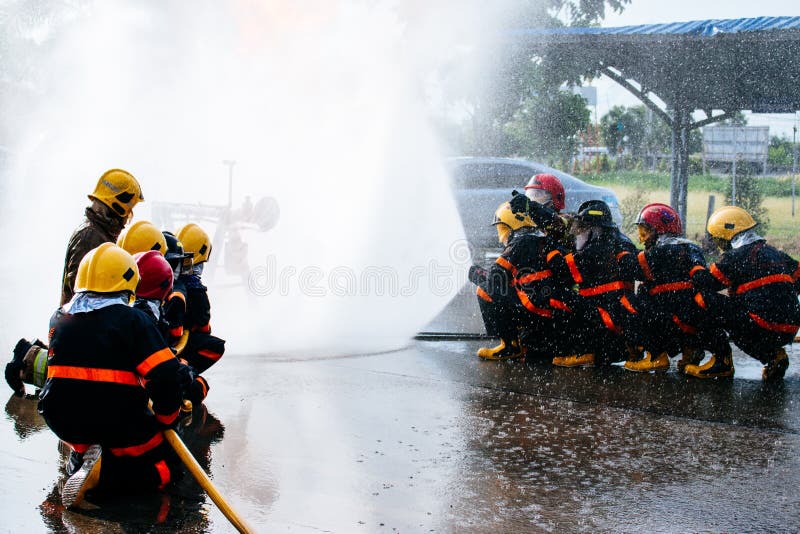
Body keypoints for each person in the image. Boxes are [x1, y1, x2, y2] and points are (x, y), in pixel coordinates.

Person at [39, 243, 191, 508]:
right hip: (113, 419)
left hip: (62, 419)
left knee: (92, 435)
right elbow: (166, 375)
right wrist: (166, 418)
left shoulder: (58, 317)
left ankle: (82, 463)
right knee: (166, 466)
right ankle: (104, 479)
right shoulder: (132, 320)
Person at [618, 203, 731, 374]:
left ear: (659, 230)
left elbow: (630, 268)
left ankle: (656, 356)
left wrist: (622, 251)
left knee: (631, 300)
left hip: (670, 318)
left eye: (645, 232)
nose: (643, 238)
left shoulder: (658, 252)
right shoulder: (692, 247)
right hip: (694, 318)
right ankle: (690, 349)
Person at [690, 206, 800, 381]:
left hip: (762, 324)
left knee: (702, 300)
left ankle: (722, 361)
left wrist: (695, 265)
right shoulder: (775, 253)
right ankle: (773, 356)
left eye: (718, 240)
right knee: (742, 316)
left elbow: (707, 283)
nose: (719, 246)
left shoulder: (736, 256)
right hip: (789, 328)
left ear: (727, 237)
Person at [469, 202, 572, 361]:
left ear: (511, 225)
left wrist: (476, 274)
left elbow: (495, 279)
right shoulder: (543, 240)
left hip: (536, 309)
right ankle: (524, 341)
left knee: (485, 290)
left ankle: (509, 346)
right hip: (555, 311)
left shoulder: (519, 243)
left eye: (501, 228)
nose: (500, 234)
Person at [551, 200, 641, 367]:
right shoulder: (620, 240)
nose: (578, 233)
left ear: (594, 228)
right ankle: (618, 349)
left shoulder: (594, 249)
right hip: (620, 317)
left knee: (557, 298)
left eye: (583, 228)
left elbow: (563, 271)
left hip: (605, 317)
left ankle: (584, 352)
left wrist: (552, 249)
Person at [133, 250, 209, 404]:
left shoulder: (125, 311)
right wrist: (182, 368)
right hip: (133, 396)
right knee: (196, 385)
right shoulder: (144, 319)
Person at [60, 169, 143, 305]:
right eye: (128, 209)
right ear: (117, 204)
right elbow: (82, 292)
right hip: (86, 323)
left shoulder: (98, 232)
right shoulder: (90, 237)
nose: (127, 216)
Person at [175, 223, 225, 373]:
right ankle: (184, 374)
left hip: (158, 342)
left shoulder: (165, 277)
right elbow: (203, 325)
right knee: (215, 345)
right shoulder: (195, 290)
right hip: (174, 347)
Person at [509, 173, 573, 250]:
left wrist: (531, 206)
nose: (531, 199)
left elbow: (553, 221)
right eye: (530, 194)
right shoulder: (531, 221)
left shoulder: (567, 220)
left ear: (554, 199)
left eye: (536, 195)